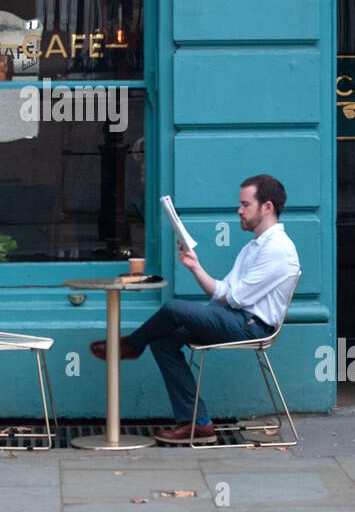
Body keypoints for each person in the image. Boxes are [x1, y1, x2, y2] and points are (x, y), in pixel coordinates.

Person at [91, 174, 301, 444]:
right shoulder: (254, 247)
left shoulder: (278, 249)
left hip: (251, 326)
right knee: (164, 342)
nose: (239, 210)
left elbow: (234, 298)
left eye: (245, 204)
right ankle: (198, 424)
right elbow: (224, 291)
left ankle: (131, 345)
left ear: (267, 207)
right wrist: (195, 266)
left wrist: (213, 305)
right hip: (235, 318)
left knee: (174, 308)